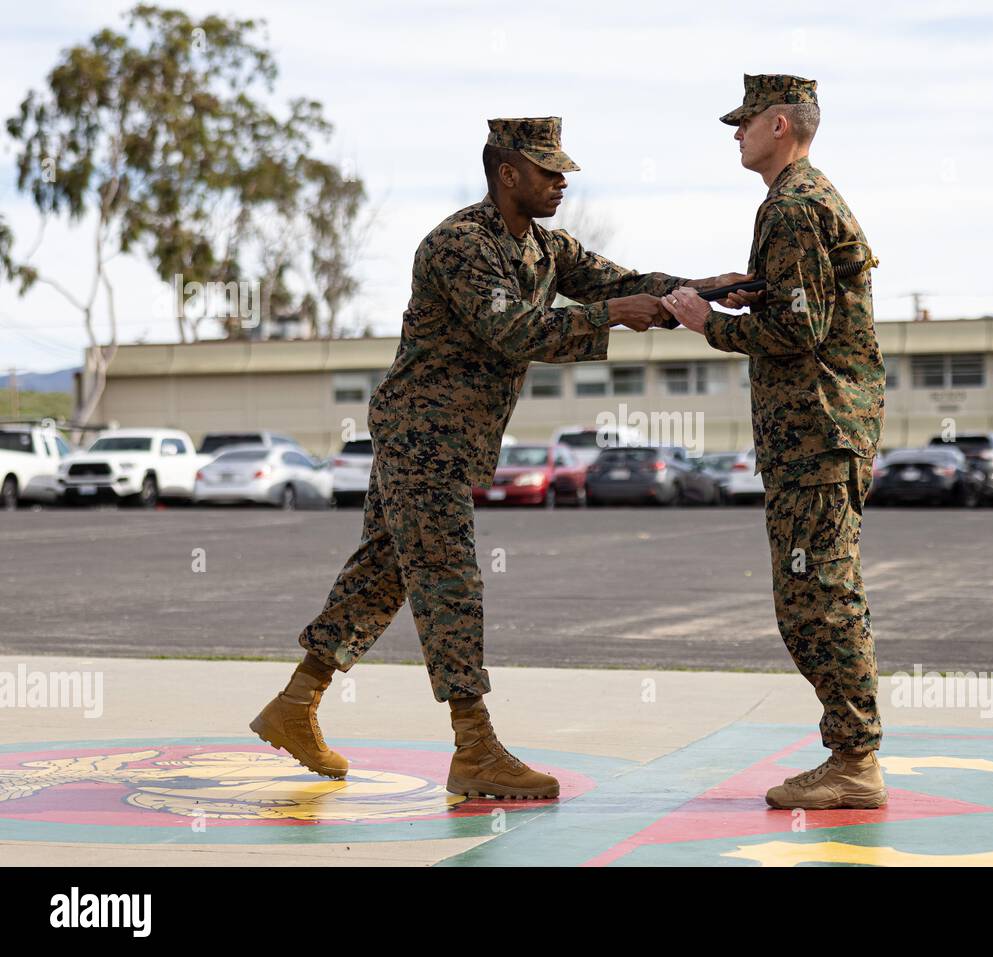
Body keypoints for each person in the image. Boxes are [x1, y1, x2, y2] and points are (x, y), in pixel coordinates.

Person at [251, 116, 746, 799]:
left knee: (384, 572)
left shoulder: (545, 247)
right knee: (449, 579)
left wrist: (703, 289)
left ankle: (294, 704)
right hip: (421, 436)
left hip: (452, 439)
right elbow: (510, 328)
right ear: (507, 173)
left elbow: (618, 280)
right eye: (548, 170)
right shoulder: (458, 245)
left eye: (562, 169)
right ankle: (474, 744)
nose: (562, 180)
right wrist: (614, 315)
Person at [660, 76, 888, 810]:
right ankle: (851, 751)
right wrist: (748, 293)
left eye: (746, 122)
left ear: (780, 125)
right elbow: (801, 305)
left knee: (818, 600)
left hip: (817, 436)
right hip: (817, 436)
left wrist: (707, 322)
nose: (737, 133)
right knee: (814, 596)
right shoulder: (802, 201)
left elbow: (801, 330)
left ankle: (854, 758)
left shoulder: (791, 207)